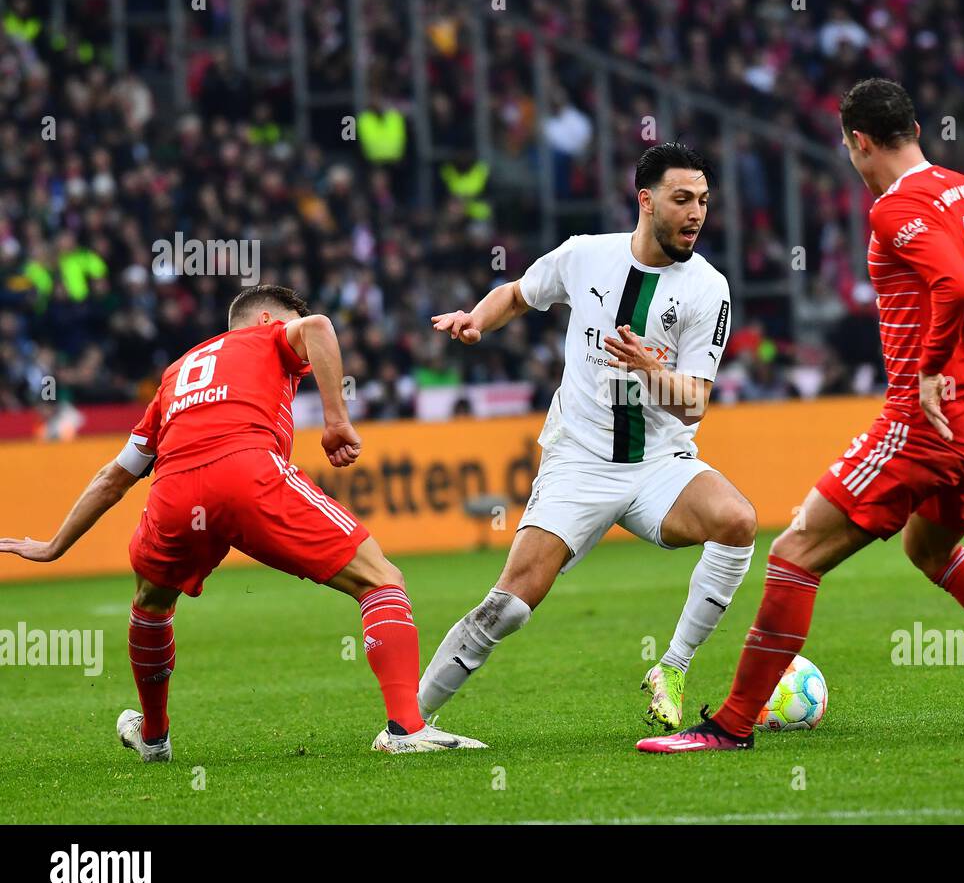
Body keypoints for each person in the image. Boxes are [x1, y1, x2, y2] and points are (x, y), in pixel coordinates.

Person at [638, 78, 964, 754]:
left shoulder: (894, 208)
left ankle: (731, 725)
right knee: (929, 549)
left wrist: (934, 363)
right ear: (914, 129)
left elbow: (957, 283)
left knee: (795, 553)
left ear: (859, 141)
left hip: (926, 419)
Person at [0, 286, 482, 758]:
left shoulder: (175, 373)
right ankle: (406, 728)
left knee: (150, 605)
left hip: (173, 493)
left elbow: (115, 477)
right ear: (268, 320)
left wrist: (54, 545)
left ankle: (154, 735)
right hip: (246, 474)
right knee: (381, 579)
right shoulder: (267, 337)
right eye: (290, 324)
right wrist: (337, 421)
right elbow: (318, 327)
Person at [416, 143, 757, 733]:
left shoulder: (709, 288)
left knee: (738, 521)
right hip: (580, 461)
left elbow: (694, 404)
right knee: (509, 606)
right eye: (682, 199)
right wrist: (477, 319)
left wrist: (647, 368)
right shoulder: (584, 255)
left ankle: (673, 667)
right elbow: (518, 294)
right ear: (646, 201)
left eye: (704, 200)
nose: (697, 213)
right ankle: (407, 724)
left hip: (659, 463)